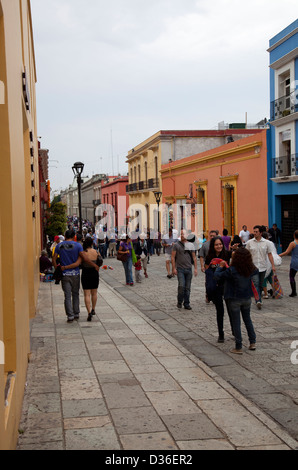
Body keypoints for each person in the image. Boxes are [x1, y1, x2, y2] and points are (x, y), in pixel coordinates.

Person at [214, 247, 258, 354]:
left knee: (236, 322)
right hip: (247, 298)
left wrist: (220, 267)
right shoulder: (250, 268)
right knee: (247, 320)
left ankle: (238, 347)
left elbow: (217, 276)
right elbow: (256, 271)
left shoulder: (232, 270)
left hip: (234, 299)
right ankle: (252, 342)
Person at [53, 230, 99, 323]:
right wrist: (94, 265)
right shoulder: (78, 246)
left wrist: (57, 268)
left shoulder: (59, 246)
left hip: (65, 274)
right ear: (74, 236)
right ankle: (76, 313)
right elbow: (84, 258)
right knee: (75, 294)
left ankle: (70, 316)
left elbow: (54, 258)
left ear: (65, 236)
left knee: (67, 295)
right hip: (75, 274)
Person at [204, 236, 232, 343]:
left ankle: (234, 330)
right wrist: (207, 290)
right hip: (216, 287)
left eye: (220, 244)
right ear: (213, 246)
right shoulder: (209, 257)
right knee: (220, 311)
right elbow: (208, 274)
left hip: (227, 285)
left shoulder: (227, 254)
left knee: (230, 310)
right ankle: (221, 333)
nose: (219, 246)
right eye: (216, 244)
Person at [245, 225, 276, 310]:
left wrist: (273, 265)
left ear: (260, 233)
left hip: (263, 267)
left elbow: (270, 254)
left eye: (256, 232)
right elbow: (246, 254)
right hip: (253, 267)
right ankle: (258, 300)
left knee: (261, 284)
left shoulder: (266, 243)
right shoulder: (249, 243)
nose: (254, 233)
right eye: (254, 232)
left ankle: (258, 298)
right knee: (256, 284)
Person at [171, 230, 198, 310]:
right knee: (181, 285)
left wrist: (195, 268)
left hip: (189, 269)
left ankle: (186, 303)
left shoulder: (191, 245)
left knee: (187, 288)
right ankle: (179, 301)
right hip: (180, 269)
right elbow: (173, 257)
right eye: (181, 234)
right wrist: (173, 268)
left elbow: (194, 257)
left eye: (184, 234)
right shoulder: (176, 245)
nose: (182, 235)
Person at [279, 230, 298, 297]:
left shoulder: (293, 243)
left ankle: (294, 292)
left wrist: (279, 255)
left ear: (294, 235)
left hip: (295, 262)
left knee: (292, 277)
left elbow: (287, 252)